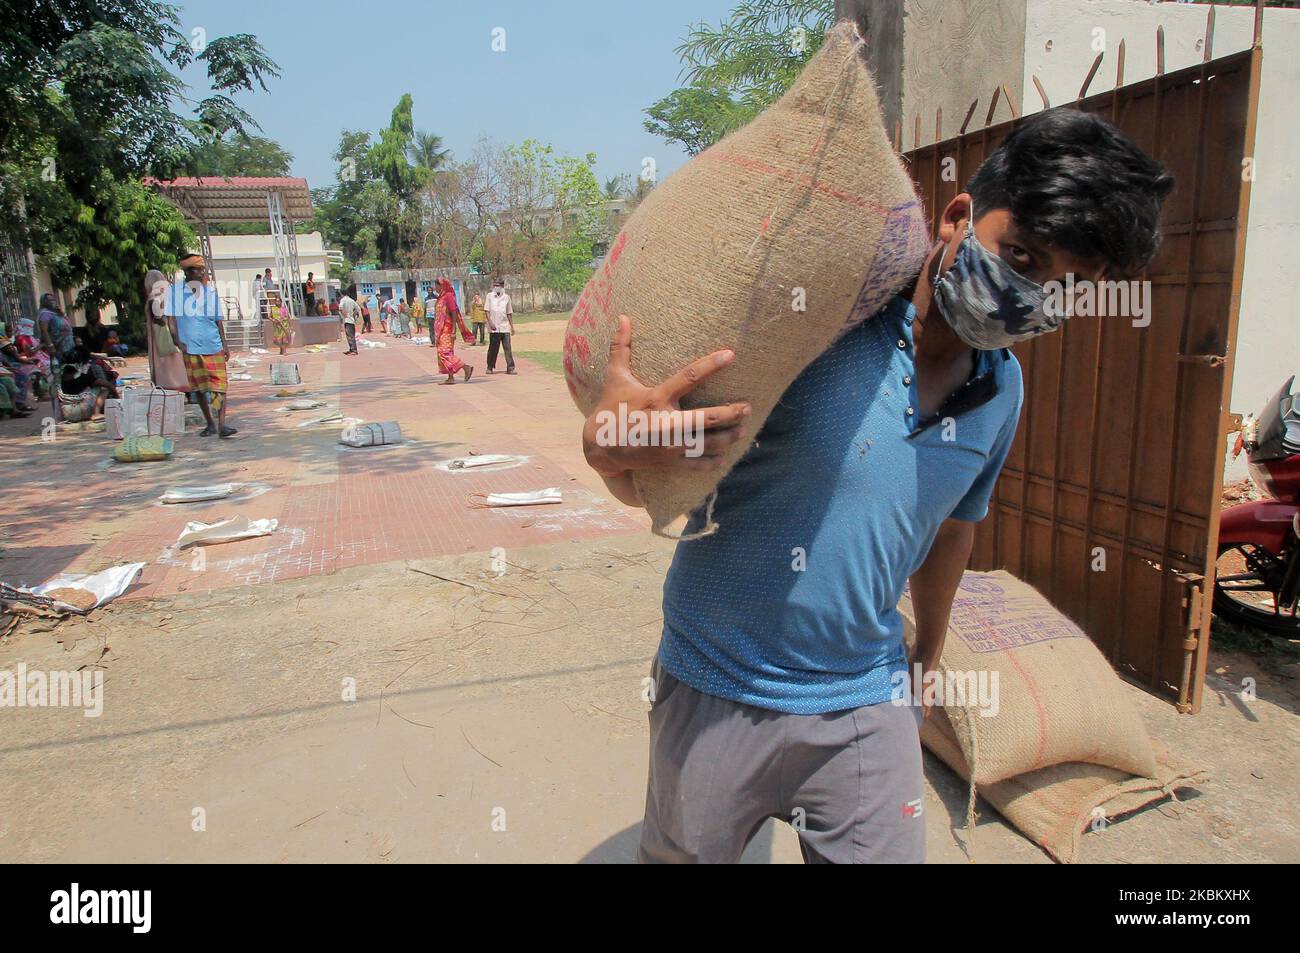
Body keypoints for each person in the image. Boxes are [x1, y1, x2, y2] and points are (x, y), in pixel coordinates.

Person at [578, 109, 1174, 864]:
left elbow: (954, 526)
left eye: (1062, 285)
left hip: (866, 693)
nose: (1031, 295)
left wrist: (927, 649)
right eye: (1020, 256)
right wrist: (607, 448)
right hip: (716, 681)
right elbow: (648, 489)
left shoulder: (1003, 391)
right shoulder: (820, 328)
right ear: (960, 217)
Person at [164, 252, 237, 438]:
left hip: (213, 344)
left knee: (219, 387)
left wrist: (225, 345)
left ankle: (222, 425)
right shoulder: (175, 292)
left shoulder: (210, 291)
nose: (203, 273)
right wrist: (177, 341)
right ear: (188, 272)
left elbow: (218, 320)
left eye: (203, 269)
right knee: (199, 388)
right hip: (191, 347)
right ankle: (210, 424)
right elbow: (170, 320)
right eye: (199, 270)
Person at [144, 268, 189, 392]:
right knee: (177, 363)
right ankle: (184, 389)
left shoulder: (153, 298)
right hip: (174, 335)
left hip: (160, 338)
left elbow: (158, 316)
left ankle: (167, 389)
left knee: (164, 366)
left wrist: (160, 318)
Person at [431, 278, 473, 384]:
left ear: (442, 286)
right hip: (440, 331)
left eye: (436, 285)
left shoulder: (448, 296)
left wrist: (453, 330)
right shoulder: (440, 297)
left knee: (444, 353)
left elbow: (454, 312)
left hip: (447, 330)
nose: (435, 287)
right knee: (447, 352)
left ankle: (466, 367)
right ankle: (450, 377)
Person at [57, 344, 110, 422]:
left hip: (67, 414)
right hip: (81, 411)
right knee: (104, 389)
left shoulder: (60, 376)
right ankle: (96, 413)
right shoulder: (81, 376)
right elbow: (108, 385)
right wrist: (117, 396)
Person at [484, 278, 515, 375]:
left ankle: (510, 368)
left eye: (497, 285)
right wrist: (490, 322)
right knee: (493, 348)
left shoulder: (506, 297)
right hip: (494, 328)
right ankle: (490, 366)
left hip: (504, 327)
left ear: (502, 286)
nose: (495, 287)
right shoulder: (489, 296)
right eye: (494, 285)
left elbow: (509, 312)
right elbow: (487, 310)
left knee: (507, 348)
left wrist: (512, 326)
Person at [37, 293, 75, 363]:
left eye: (53, 300)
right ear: (44, 302)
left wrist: (62, 313)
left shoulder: (57, 313)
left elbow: (69, 324)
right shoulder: (45, 314)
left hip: (68, 343)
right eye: (49, 300)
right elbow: (44, 331)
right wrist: (50, 346)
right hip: (57, 345)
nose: (52, 302)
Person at [338, 285, 360, 355]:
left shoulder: (343, 300)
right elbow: (357, 309)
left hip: (347, 320)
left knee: (350, 336)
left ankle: (354, 350)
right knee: (351, 335)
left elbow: (340, 308)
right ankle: (351, 349)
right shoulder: (351, 300)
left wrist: (344, 315)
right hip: (351, 320)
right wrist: (353, 315)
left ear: (342, 294)